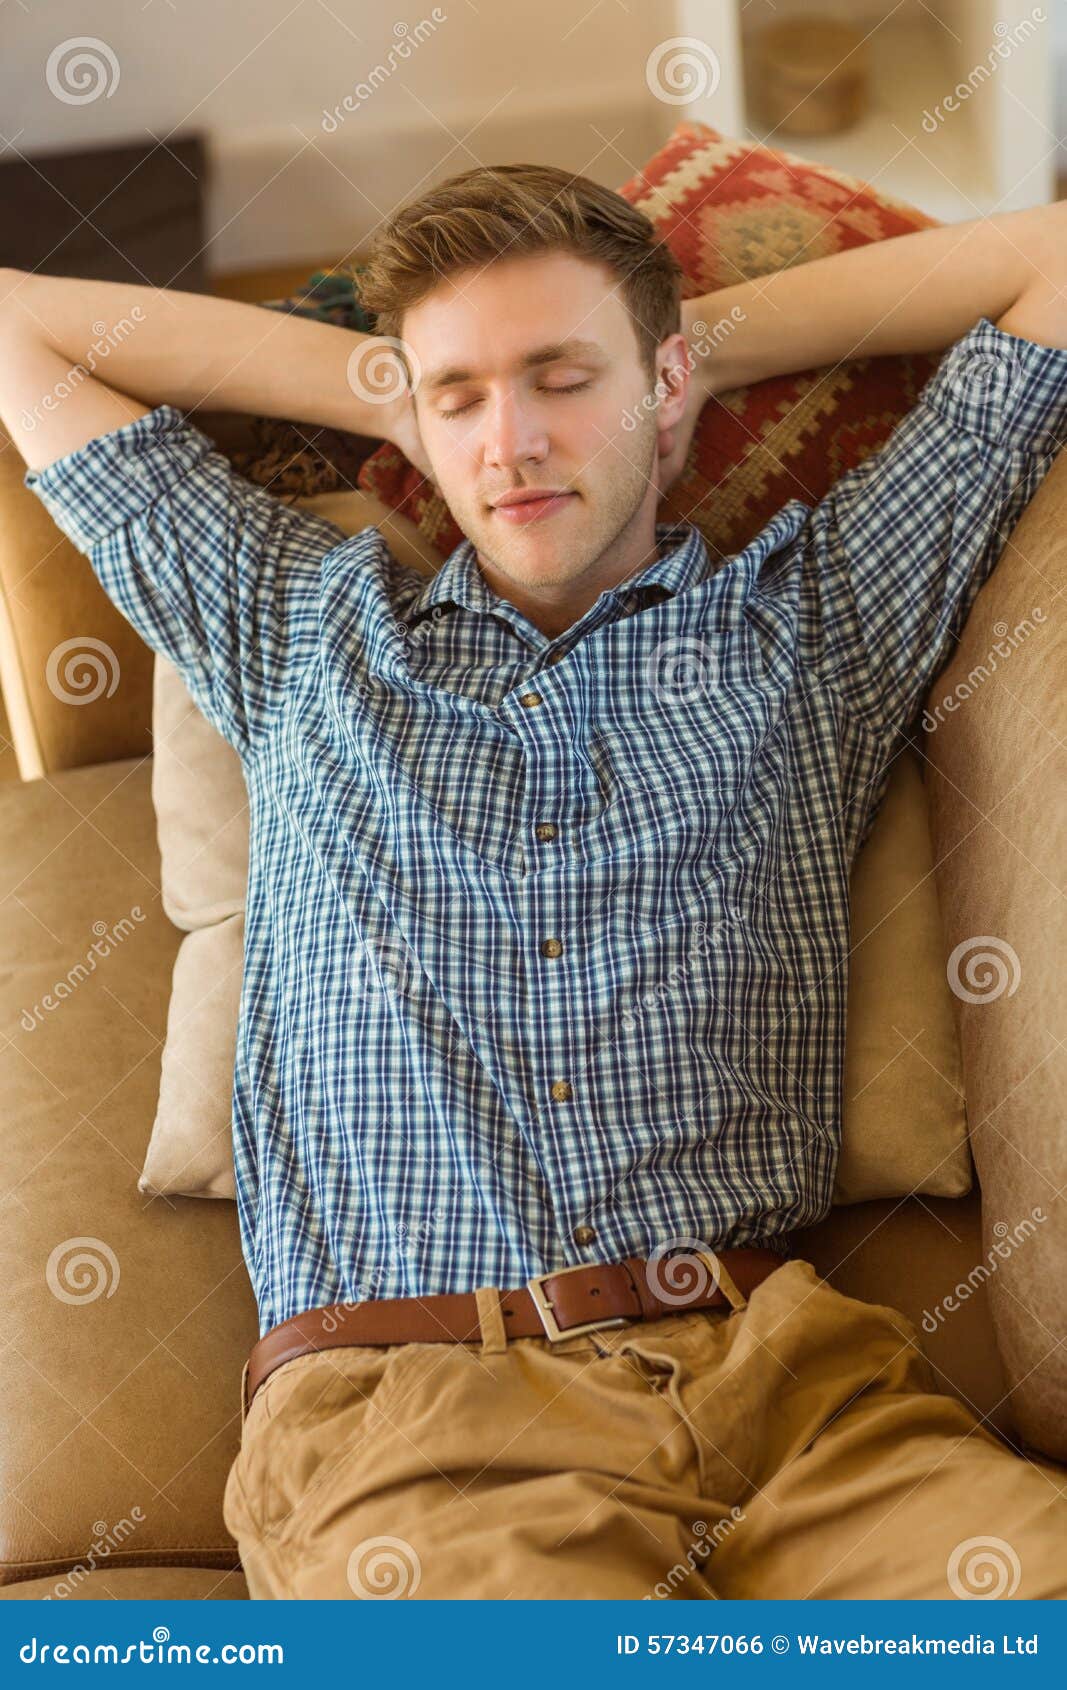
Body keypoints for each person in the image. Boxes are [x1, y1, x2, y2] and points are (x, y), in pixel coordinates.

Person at [3, 163, 1065, 1601]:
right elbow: (15, 328)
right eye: (463, 400)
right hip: (420, 1420)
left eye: (563, 379)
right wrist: (385, 382)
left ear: (667, 384)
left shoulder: (820, 623)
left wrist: (690, 345)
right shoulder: (297, 625)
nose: (511, 442)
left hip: (796, 1394)